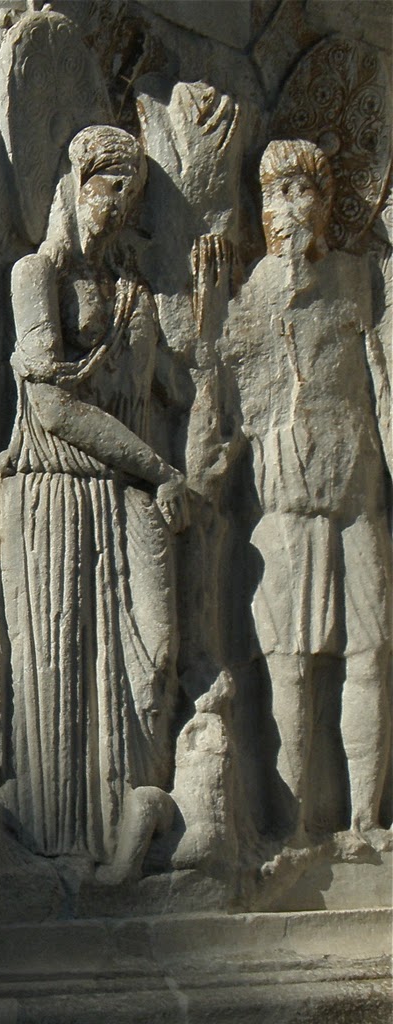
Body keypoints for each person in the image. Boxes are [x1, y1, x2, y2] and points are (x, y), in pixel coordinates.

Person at [1, 124, 182, 882]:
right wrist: (154, 465)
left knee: (125, 662)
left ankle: (114, 833)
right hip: (54, 493)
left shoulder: (127, 287)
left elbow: (163, 387)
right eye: (109, 189)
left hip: (111, 494)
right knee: (59, 662)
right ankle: (56, 843)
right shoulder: (33, 275)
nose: (116, 208)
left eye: (130, 196)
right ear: (76, 187)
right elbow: (52, 408)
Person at [222, 139, 393, 839]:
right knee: (289, 664)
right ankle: (294, 829)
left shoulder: (358, 278)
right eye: (275, 194)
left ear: (326, 204)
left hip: (356, 498)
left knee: (371, 652)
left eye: (302, 191)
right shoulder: (250, 294)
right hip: (284, 502)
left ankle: (364, 820)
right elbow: (226, 391)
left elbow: (382, 379)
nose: (289, 209)